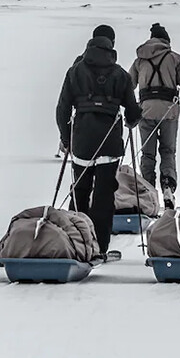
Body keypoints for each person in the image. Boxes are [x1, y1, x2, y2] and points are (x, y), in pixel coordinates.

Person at [56, 25, 141, 258]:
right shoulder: (120, 74)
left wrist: (66, 137)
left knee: (79, 192)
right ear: (111, 46)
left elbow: (62, 108)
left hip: (82, 141)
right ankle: (100, 247)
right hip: (109, 143)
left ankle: (75, 243)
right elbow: (133, 111)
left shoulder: (75, 71)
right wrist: (133, 119)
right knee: (104, 195)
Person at [128, 23, 180, 208]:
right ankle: (168, 186)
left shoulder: (139, 60)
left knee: (147, 154)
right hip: (169, 110)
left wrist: (128, 108)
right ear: (166, 41)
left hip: (145, 110)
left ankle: (148, 191)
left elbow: (128, 85)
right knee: (168, 151)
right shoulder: (175, 59)